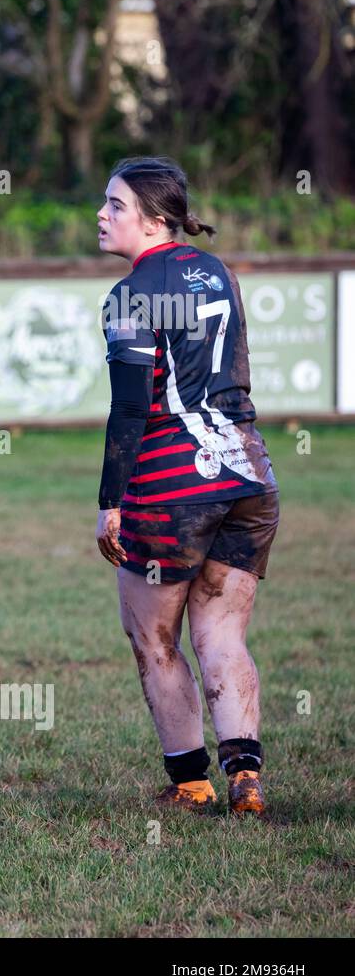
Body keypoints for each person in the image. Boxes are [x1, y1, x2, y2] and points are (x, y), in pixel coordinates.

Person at [95, 156, 278, 816]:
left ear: (155, 218)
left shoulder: (132, 294)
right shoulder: (218, 271)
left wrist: (109, 503)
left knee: (154, 638)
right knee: (222, 635)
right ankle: (246, 779)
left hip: (173, 486)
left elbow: (131, 409)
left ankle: (192, 782)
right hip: (249, 474)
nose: (102, 214)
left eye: (115, 205)